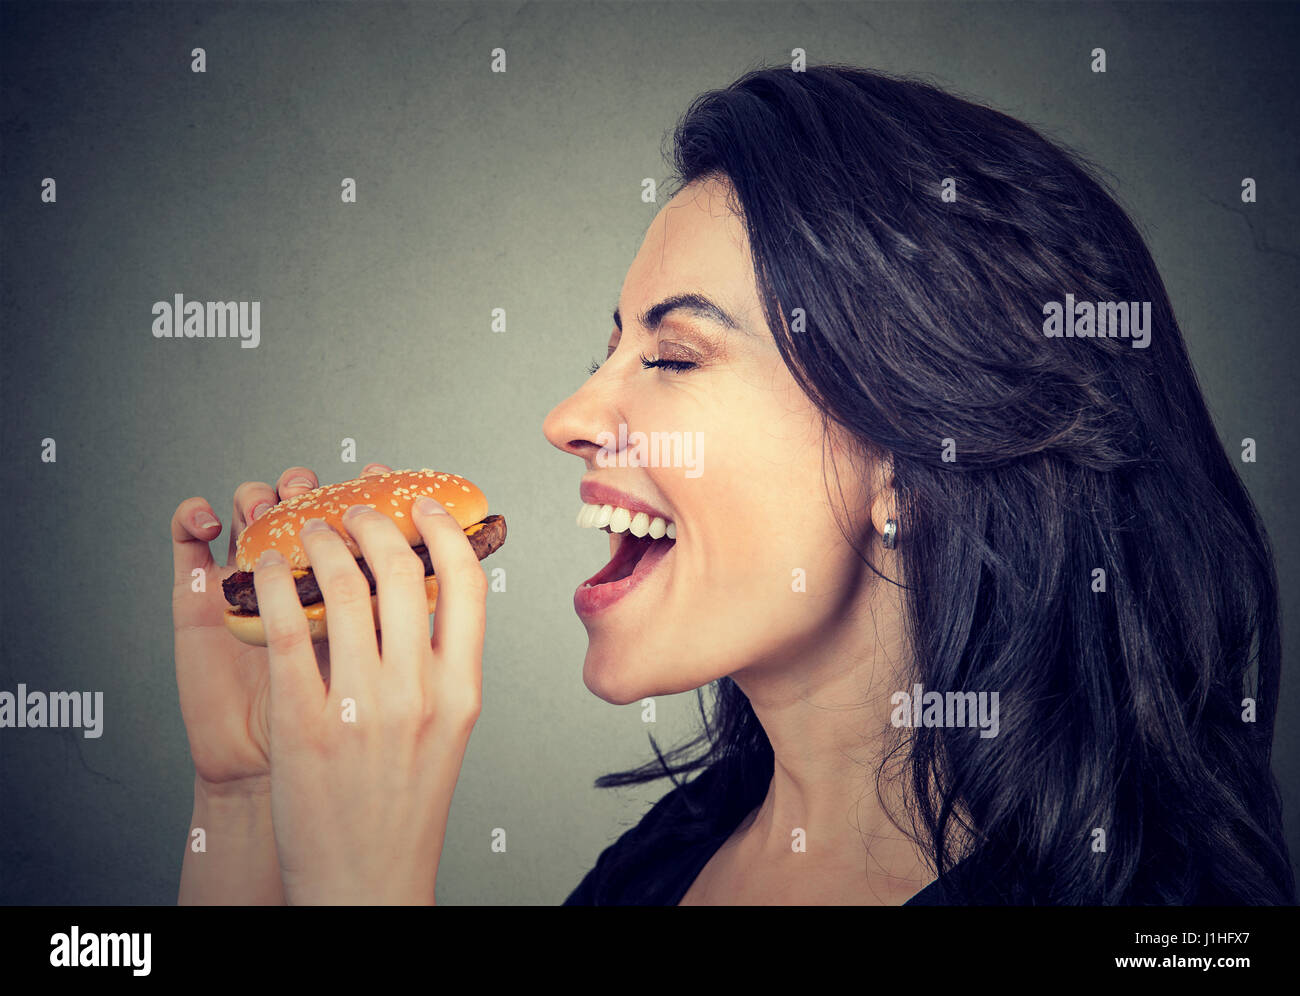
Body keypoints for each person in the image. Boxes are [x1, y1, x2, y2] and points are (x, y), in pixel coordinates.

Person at [170, 64, 1295, 905]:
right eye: (606, 350)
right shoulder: (664, 864)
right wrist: (242, 803)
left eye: (671, 357)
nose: (567, 418)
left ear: (910, 456)